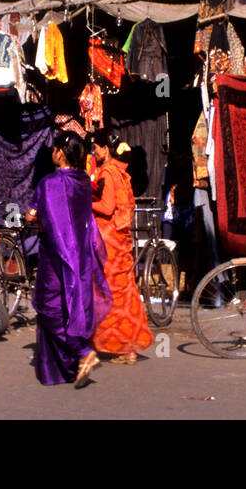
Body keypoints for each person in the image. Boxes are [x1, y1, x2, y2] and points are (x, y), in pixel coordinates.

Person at [30, 131, 111, 388]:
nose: (52, 153)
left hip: (56, 256)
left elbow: (32, 215)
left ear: (60, 153)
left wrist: (35, 216)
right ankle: (70, 364)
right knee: (71, 308)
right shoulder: (84, 181)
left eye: (54, 149)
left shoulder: (49, 183)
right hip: (81, 254)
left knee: (49, 308)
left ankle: (82, 353)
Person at [88, 131, 153, 363]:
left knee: (108, 292)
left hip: (108, 240)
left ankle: (118, 345)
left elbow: (107, 207)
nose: (94, 152)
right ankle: (128, 347)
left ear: (106, 149)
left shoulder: (107, 172)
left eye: (96, 148)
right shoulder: (121, 173)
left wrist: (86, 199)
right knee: (124, 292)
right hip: (119, 238)